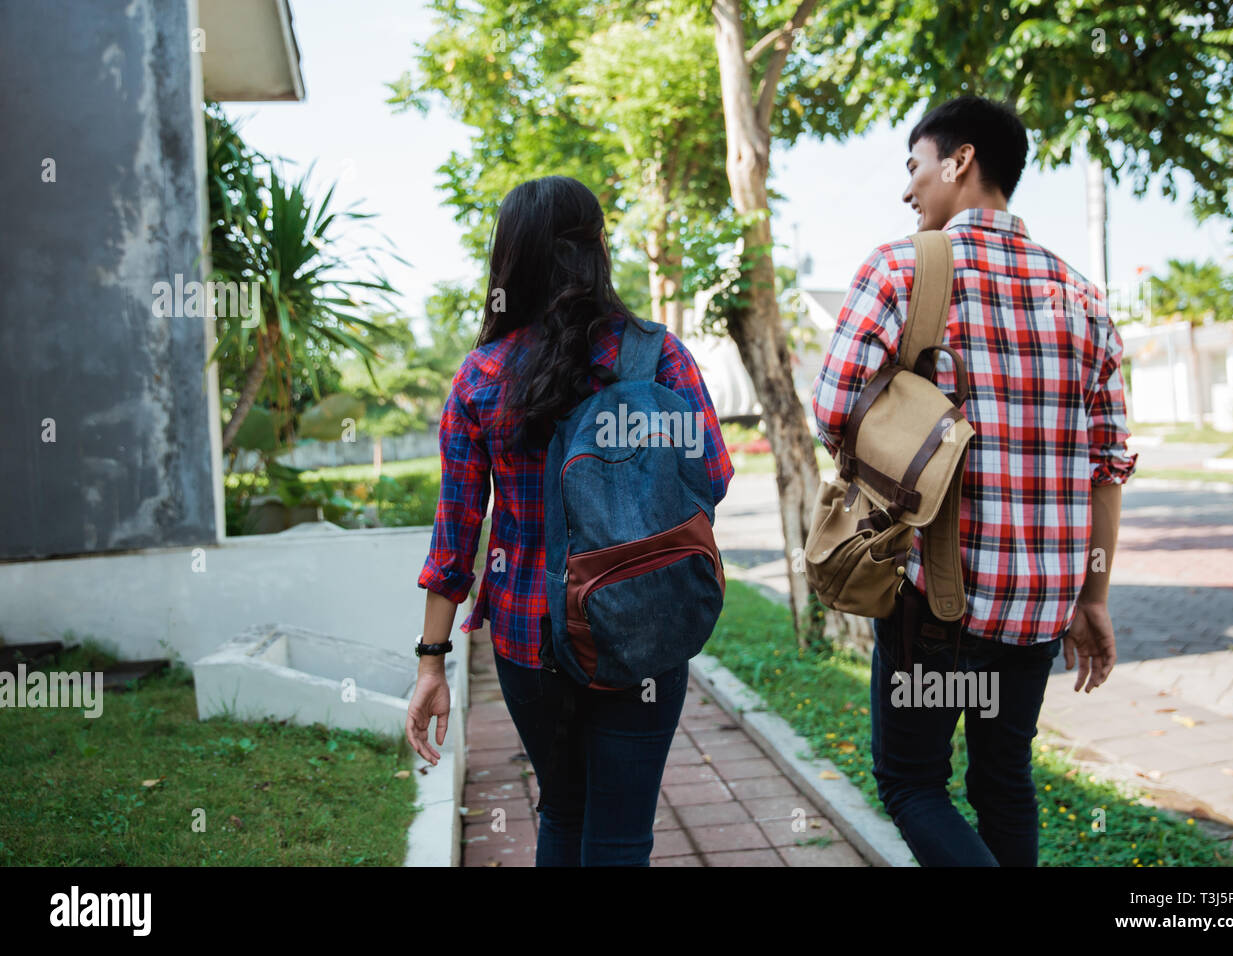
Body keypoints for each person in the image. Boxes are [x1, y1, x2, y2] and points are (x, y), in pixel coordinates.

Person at [811, 95, 1137, 866]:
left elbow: (832, 412)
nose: (907, 189)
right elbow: (1109, 464)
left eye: (914, 166)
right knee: (1004, 781)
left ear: (959, 162)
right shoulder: (1086, 299)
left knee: (914, 783)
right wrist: (1092, 597)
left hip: (938, 604)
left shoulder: (902, 268)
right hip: (1041, 608)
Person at [404, 175, 734, 866]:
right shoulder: (656, 354)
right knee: (620, 833)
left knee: (562, 810)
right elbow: (714, 478)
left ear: (509, 259)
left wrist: (431, 664)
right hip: (643, 624)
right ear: (596, 250)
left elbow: (455, 537)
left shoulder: (480, 377)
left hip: (531, 639)